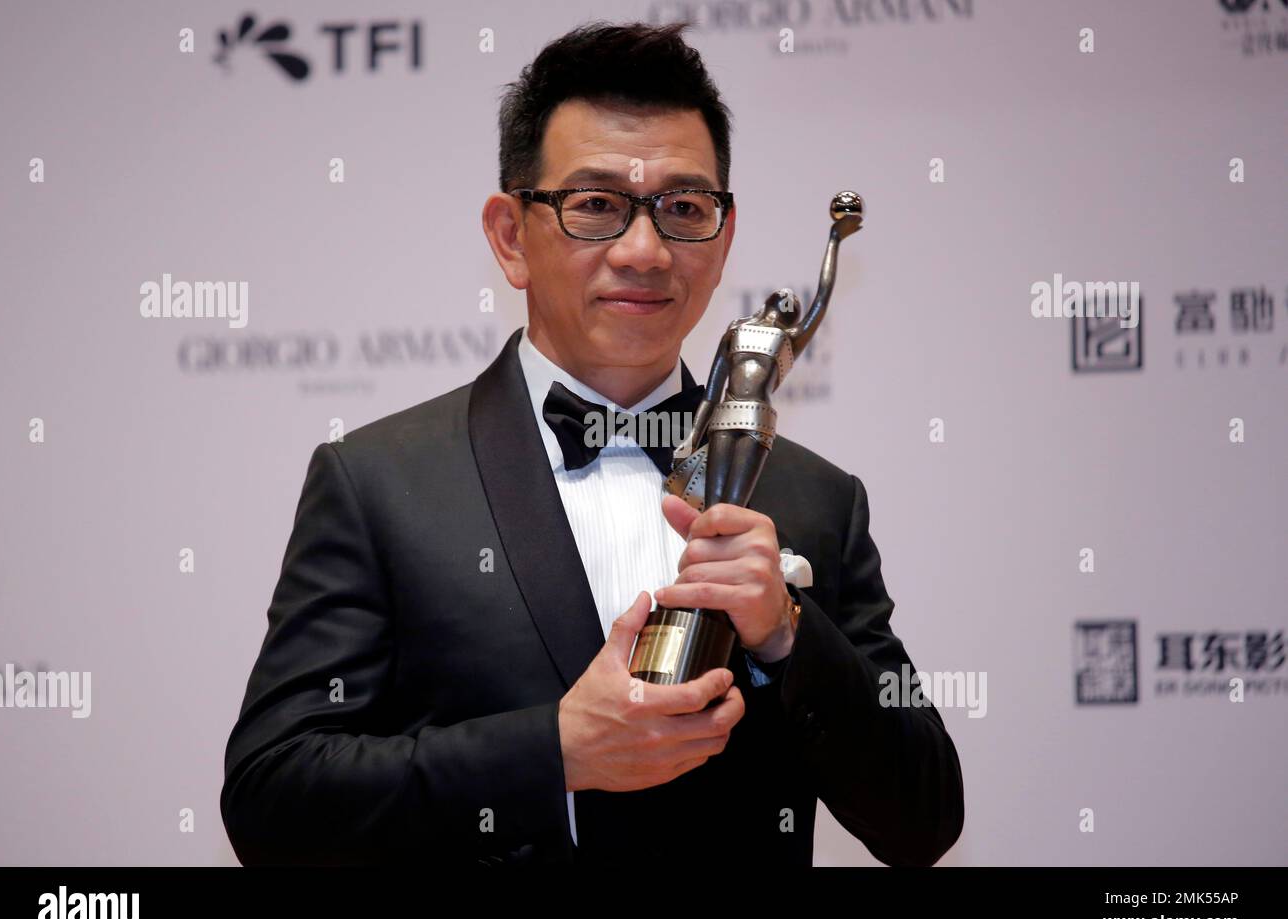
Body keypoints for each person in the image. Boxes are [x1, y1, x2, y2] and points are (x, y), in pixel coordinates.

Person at [220, 19, 964, 867]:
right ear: (511, 236)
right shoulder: (378, 484)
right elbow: (273, 800)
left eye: (684, 209)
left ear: (723, 240)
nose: (644, 251)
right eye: (597, 206)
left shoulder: (816, 499)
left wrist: (789, 632)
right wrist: (553, 753)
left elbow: (924, 819)